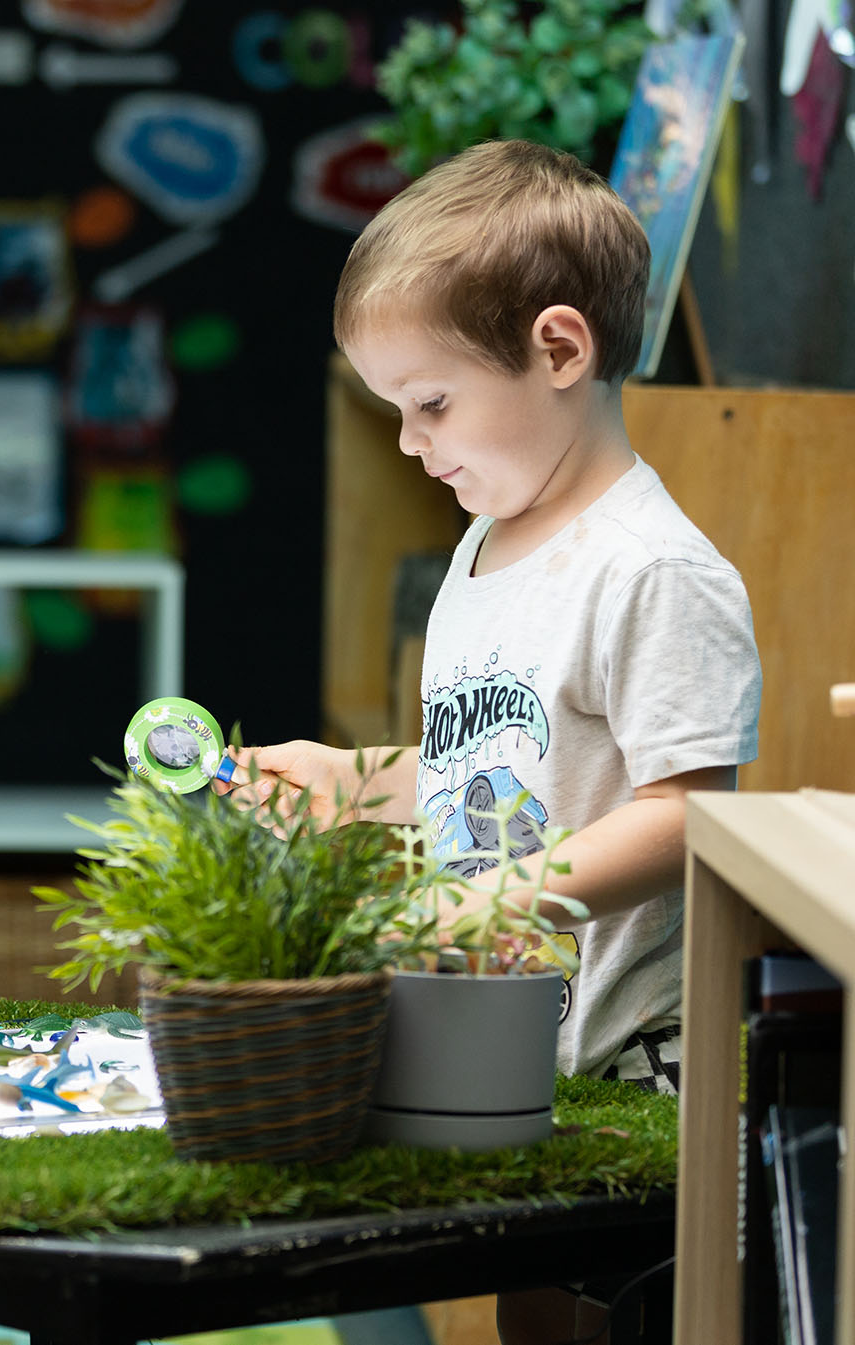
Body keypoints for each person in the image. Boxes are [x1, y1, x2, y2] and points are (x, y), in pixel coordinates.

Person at [220, 139, 760, 1343]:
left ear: (557, 349)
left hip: (632, 1057)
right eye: (392, 413)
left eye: (430, 404)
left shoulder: (651, 570)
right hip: (513, 1038)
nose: (411, 445)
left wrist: (501, 899)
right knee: (526, 1312)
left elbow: (689, 810)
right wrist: (352, 779)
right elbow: (495, 769)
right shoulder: (483, 546)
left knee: (612, 1309)